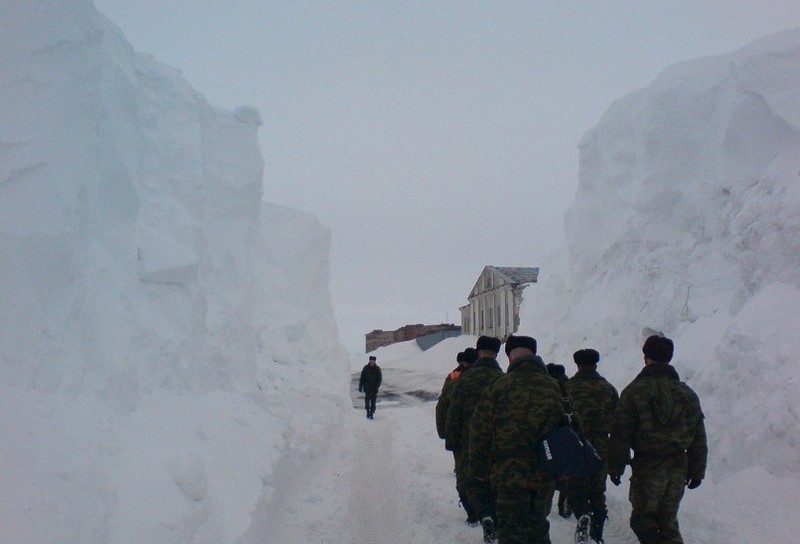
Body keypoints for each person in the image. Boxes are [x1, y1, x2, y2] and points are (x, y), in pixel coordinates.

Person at [608, 335, 707, 544]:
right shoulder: (687, 394)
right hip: (678, 469)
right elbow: (698, 437)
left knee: (643, 521)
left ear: (646, 358)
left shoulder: (633, 392)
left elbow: (620, 434)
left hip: (648, 468)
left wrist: (616, 466)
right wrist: (697, 471)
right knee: (668, 522)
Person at [469, 335, 567, 544]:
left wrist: (479, 470)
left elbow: (479, 432)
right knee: (538, 526)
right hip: (544, 471)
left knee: (511, 529)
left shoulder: (498, 387)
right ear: (534, 354)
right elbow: (569, 428)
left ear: (509, 358)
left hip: (507, 472)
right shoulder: (553, 387)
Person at [445, 337, 504, 537]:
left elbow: (453, 411)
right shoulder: (503, 379)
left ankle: (477, 514)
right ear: (497, 354)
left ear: (478, 352)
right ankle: (493, 514)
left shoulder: (464, 379)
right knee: (494, 480)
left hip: (467, 440)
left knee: (469, 480)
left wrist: (451, 440)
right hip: (496, 441)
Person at [565, 348, 619, 544]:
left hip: (575, 444)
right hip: (601, 445)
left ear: (577, 364)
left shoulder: (568, 388)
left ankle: (582, 514)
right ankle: (597, 534)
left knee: (575, 487)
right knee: (597, 490)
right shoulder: (608, 389)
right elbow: (619, 423)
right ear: (596, 364)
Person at [436, 348, 478, 517]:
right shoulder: (491, 377)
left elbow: (442, 406)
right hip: (487, 435)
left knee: (463, 472)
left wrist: (444, 431)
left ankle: (471, 510)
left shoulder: (454, 377)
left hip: (460, 434)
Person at [546, 363, 572, 519]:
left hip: (550, 436)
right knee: (566, 472)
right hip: (568, 435)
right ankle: (565, 503)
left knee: (548, 471)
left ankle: (546, 503)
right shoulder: (570, 388)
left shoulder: (546, 389)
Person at [358, 355, 382, 419]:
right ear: (369, 361)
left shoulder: (377, 369)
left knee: (373, 401)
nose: (372, 362)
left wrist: (377, 386)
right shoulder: (365, 368)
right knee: (367, 401)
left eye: (373, 361)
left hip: (374, 388)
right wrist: (360, 386)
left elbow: (379, 379)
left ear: (375, 362)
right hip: (367, 388)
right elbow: (362, 378)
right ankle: (367, 412)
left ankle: (371, 413)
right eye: (371, 361)